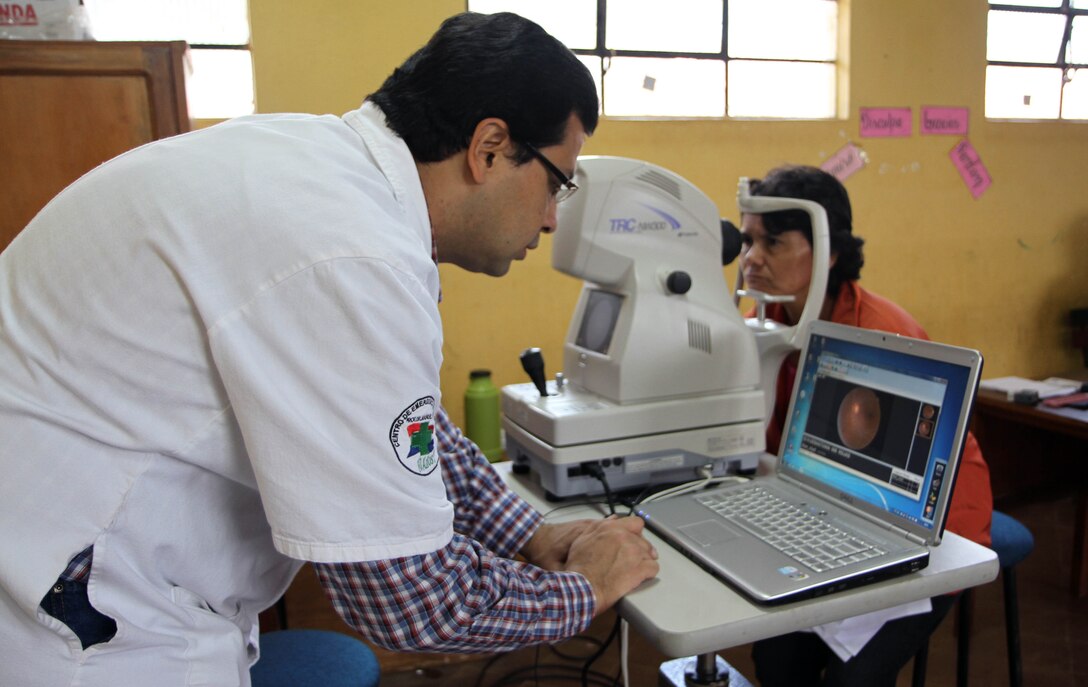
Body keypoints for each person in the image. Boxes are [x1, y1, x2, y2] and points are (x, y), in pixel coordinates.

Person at [0, 12, 659, 685]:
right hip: (87, 623)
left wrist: (532, 534)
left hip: (83, 564)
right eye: (558, 182)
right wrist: (588, 589)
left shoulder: (318, 171)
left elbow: (411, 430)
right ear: (489, 147)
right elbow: (412, 601)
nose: (552, 218)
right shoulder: (351, 253)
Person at [737, 165, 992, 687]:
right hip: (823, 515)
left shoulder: (883, 335)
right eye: (747, 241)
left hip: (929, 529)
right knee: (778, 663)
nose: (751, 260)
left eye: (773, 243)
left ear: (828, 252)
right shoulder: (776, 322)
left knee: (853, 682)